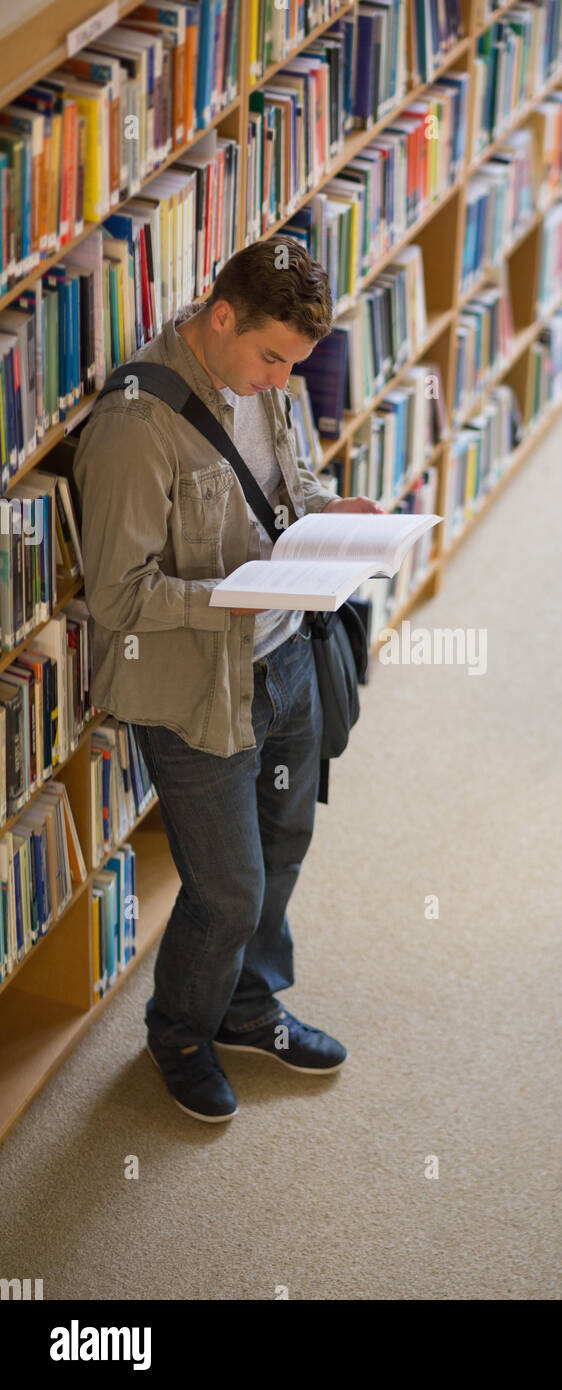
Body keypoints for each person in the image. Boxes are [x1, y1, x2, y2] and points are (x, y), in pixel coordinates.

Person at [73, 237, 383, 1123]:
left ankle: (248, 1006)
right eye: (273, 357)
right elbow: (119, 597)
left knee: (285, 846)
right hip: (199, 693)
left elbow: (290, 492)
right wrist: (239, 600)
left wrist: (335, 517)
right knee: (229, 887)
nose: (283, 381)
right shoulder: (137, 427)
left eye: (295, 363)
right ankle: (178, 1031)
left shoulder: (265, 387)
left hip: (290, 655)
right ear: (221, 318)